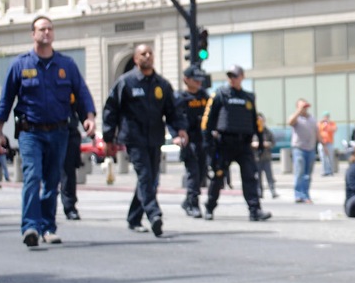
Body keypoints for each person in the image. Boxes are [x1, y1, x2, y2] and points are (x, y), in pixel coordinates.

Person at [0, 16, 96, 247]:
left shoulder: (66, 65)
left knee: (52, 181)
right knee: (32, 177)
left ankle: (48, 227)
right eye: (42, 29)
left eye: (50, 29)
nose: (46, 33)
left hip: (59, 131)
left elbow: (81, 93)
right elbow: (6, 100)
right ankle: (31, 226)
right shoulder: (20, 65)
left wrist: (89, 117)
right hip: (31, 132)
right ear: (33, 34)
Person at [103, 44, 188, 236]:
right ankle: (154, 214)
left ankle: (134, 218)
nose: (147, 56)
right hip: (134, 138)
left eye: (150, 53)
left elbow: (173, 111)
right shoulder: (126, 82)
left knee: (151, 179)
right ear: (135, 59)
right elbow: (111, 109)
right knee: (145, 176)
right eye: (143, 54)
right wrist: (109, 137)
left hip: (155, 138)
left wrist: (179, 130)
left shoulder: (162, 84)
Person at [202, 64, 271, 221]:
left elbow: (255, 121)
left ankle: (255, 210)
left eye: (235, 76)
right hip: (224, 144)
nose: (232, 79)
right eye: (230, 76)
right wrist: (208, 142)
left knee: (250, 177)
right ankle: (209, 207)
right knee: (218, 177)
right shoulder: (220, 94)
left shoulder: (249, 97)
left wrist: (260, 141)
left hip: (244, 144)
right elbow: (208, 119)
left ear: (242, 77)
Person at [175, 65, 209, 217]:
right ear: (186, 80)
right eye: (196, 80)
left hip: (203, 141)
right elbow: (173, 118)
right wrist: (176, 135)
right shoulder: (180, 98)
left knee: (201, 174)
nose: (199, 82)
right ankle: (193, 204)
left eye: (200, 80)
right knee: (193, 173)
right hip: (188, 141)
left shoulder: (204, 96)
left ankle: (187, 201)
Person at [287, 98, 317, 203]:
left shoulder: (312, 118)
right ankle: (298, 195)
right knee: (299, 172)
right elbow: (290, 122)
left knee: (308, 175)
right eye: (302, 106)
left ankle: (306, 195)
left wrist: (323, 145)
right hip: (299, 149)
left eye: (305, 106)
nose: (304, 108)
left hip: (311, 149)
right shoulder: (296, 117)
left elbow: (316, 132)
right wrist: (298, 111)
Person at [253, 113, 277, 199]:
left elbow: (273, 143)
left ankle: (273, 191)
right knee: (258, 177)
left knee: (269, 176)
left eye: (261, 120)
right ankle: (259, 192)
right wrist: (254, 144)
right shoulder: (253, 132)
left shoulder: (268, 132)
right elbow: (247, 143)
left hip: (266, 157)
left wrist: (267, 144)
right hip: (256, 158)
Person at [317, 111, 337, 176]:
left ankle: (331, 171)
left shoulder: (332, 123)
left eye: (327, 116)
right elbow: (317, 130)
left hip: (329, 143)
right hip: (322, 142)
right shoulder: (320, 123)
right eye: (325, 116)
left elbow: (334, 129)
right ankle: (324, 171)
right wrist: (322, 124)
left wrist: (328, 124)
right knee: (322, 157)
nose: (326, 118)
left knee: (330, 157)